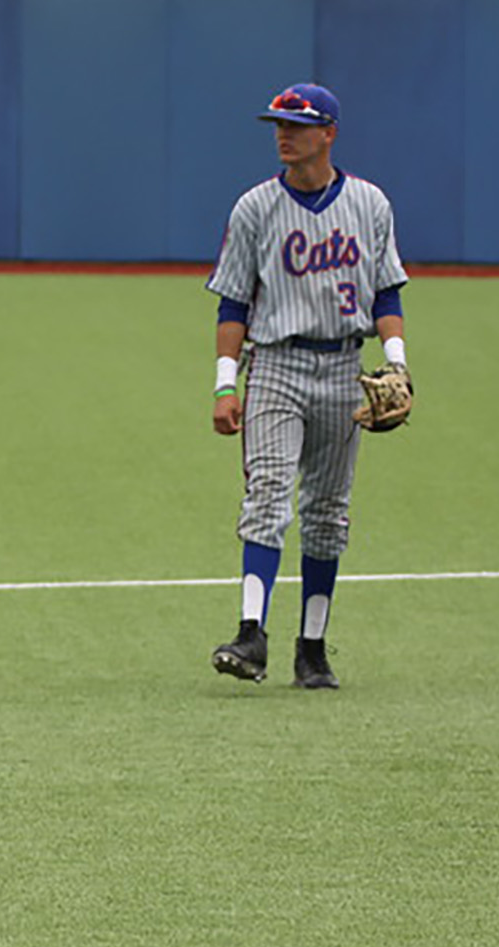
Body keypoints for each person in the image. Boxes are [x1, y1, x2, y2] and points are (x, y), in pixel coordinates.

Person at [204, 83, 411, 690]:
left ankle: (313, 648)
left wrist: (396, 364)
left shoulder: (370, 204)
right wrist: (224, 385)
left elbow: (387, 294)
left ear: (329, 133)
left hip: (346, 368)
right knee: (267, 495)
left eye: (297, 124)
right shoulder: (254, 208)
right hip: (275, 368)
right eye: (278, 123)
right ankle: (251, 634)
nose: (283, 134)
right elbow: (233, 305)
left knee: (326, 513)